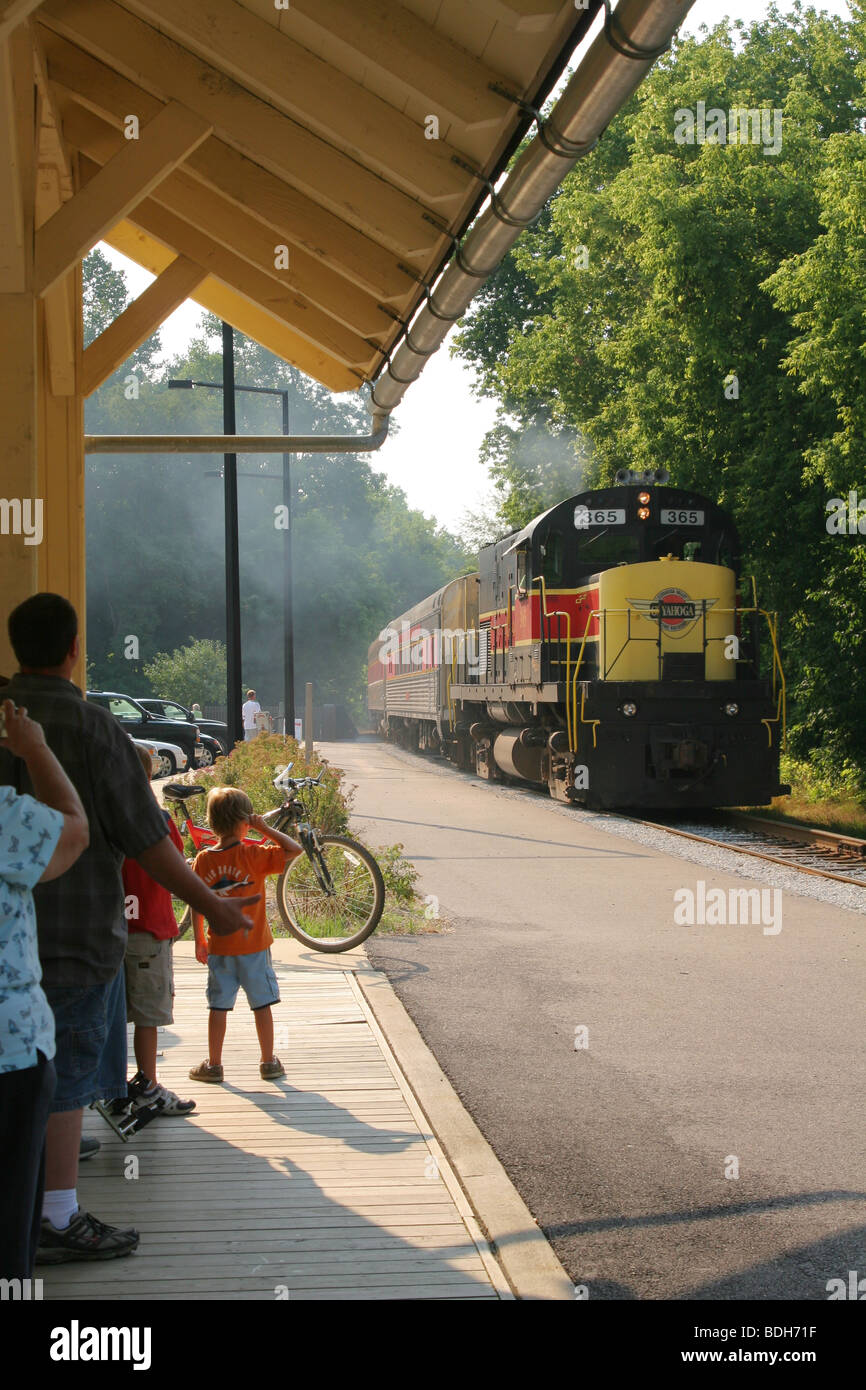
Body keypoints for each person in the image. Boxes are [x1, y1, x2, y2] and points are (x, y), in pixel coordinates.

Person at [0, 594, 260, 1265]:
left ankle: (32, 1198)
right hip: (76, 936)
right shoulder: (93, 728)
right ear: (74, 649)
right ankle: (57, 1215)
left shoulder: (5, 717)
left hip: (9, 943)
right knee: (64, 1078)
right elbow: (149, 841)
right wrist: (211, 905)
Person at [0, 699, 89, 1280]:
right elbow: (73, 833)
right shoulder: (5, 817)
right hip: (10, 1053)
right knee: (10, 1229)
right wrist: (33, 748)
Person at [189, 787, 301, 1084]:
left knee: (218, 1007)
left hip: (220, 947)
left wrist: (199, 939)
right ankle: (268, 1062)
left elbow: (196, 903)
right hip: (254, 948)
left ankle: (214, 1065)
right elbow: (294, 850)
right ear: (245, 822)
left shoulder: (203, 860)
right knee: (261, 1005)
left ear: (212, 823)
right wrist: (263, 828)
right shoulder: (253, 854)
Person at [120, 744, 195, 1117]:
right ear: (149, 776)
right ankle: (147, 1086)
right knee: (148, 1017)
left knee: (115, 1016)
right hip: (150, 929)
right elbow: (174, 864)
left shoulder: (105, 817)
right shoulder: (157, 820)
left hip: (116, 929)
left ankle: (115, 1087)